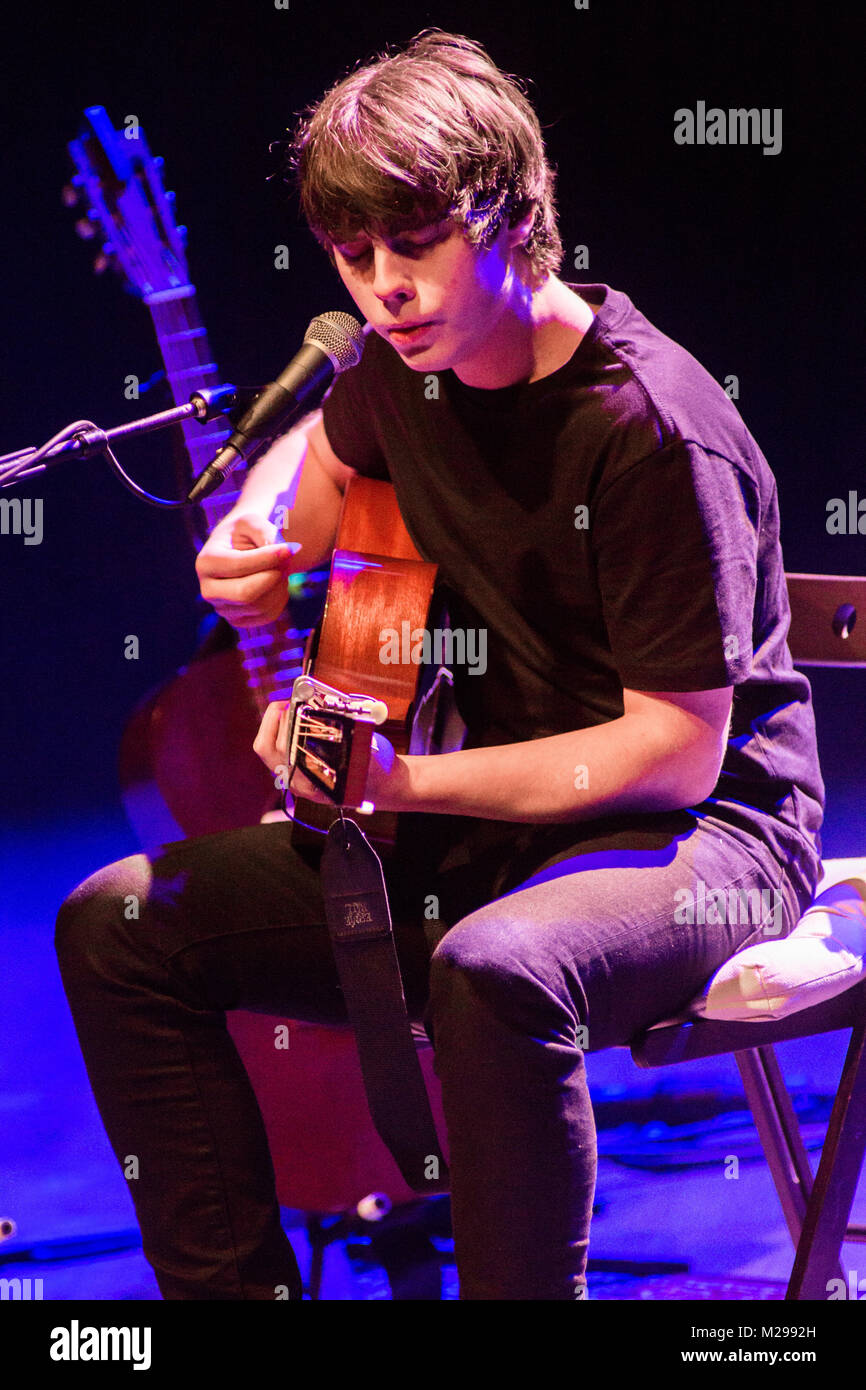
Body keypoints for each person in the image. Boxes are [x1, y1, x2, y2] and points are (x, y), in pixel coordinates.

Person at [55, 29, 825, 1301]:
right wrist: (257, 536)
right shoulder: (402, 376)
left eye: (412, 247)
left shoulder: (649, 428)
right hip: (488, 817)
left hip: (705, 838)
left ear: (515, 217)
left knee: (491, 967)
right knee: (121, 922)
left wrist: (397, 783)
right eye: (353, 260)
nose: (382, 291)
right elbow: (319, 462)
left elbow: (673, 748)